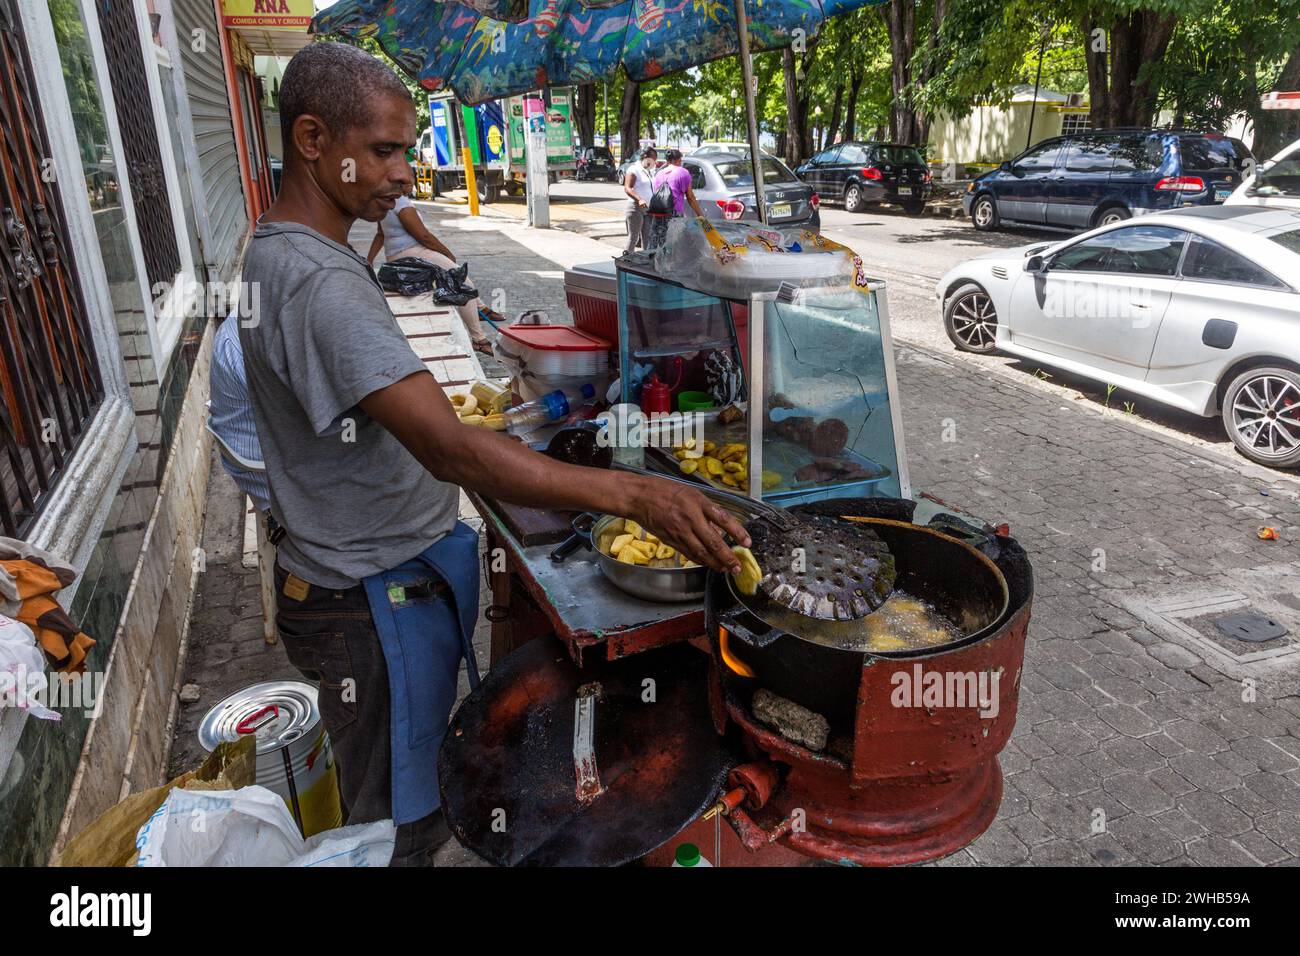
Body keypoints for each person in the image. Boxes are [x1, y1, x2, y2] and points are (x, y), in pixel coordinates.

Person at [239, 42, 749, 867]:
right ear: (310, 139)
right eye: (383, 151)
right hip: (369, 597)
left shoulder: (285, 249)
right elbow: (450, 451)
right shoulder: (321, 284)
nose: (404, 172)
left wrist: (384, 227)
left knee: (387, 787)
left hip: (341, 575)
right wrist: (634, 496)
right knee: (400, 820)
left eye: (407, 149)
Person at [367, 183, 500, 356]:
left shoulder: (386, 203)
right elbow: (424, 236)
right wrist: (448, 254)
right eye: (409, 180)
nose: (412, 182)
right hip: (413, 252)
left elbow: (381, 234)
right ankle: (479, 340)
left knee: (459, 277)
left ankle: (480, 308)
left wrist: (369, 259)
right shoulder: (401, 204)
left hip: (396, 255)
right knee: (462, 281)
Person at [648, 148, 704, 248]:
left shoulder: (659, 173)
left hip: (658, 212)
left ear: (667, 160)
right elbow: (690, 197)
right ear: (679, 160)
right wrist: (700, 214)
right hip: (674, 213)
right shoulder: (683, 172)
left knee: (657, 243)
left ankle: (653, 262)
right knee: (673, 245)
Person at [622, 147, 657, 252]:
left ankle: (646, 261)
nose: (654, 162)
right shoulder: (634, 169)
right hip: (635, 208)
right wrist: (639, 199)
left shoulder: (649, 171)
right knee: (634, 237)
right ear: (646, 157)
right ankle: (626, 261)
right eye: (653, 159)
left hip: (648, 209)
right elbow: (628, 188)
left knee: (648, 238)